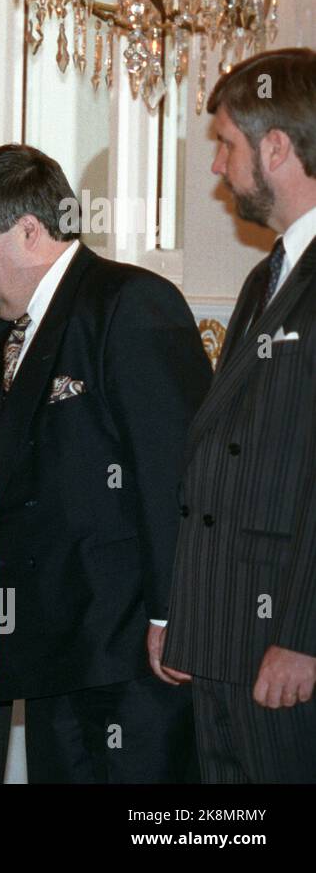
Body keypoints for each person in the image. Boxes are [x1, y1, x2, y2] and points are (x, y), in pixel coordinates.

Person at [0, 144, 211, 783]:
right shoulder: (3, 334)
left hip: (131, 649)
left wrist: (176, 615)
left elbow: (176, 472)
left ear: (29, 230)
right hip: (55, 649)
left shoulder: (131, 302)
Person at [160, 47, 316, 782]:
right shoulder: (268, 275)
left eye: (226, 143)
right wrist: (187, 619)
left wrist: (305, 635)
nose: (218, 166)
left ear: (276, 147)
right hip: (228, 633)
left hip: (285, 639)